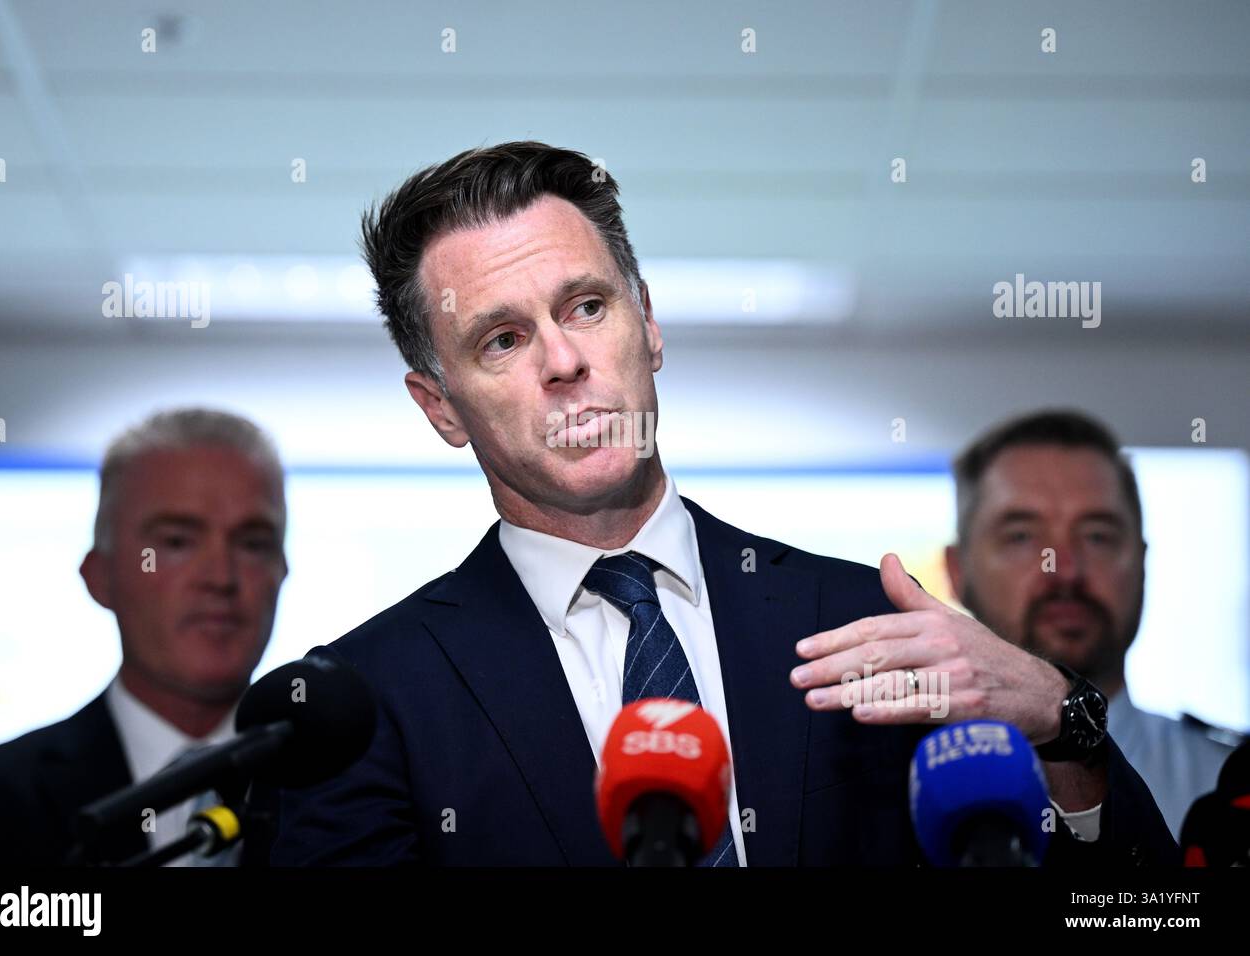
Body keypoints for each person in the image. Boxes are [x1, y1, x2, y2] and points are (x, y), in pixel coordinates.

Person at [272, 141, 1176, 866]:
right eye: (503, 340)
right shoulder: (365, 708)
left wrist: (1067, 723)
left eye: (586, 307)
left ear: (648, 322)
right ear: (441, 409)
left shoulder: (869, 625)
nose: (563, 361)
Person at [0, 408, 288, 866]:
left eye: (252, 543)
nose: (221, 577)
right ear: (99, 576)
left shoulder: (348, 786)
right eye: (175, 542)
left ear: (282, 571)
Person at [945, 408, 1240, 840]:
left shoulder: (1232, 787)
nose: (1065, 570)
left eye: (1098, 536)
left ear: (1141, 563)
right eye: (1022, 536)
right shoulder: (880, 785)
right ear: (957, 571)